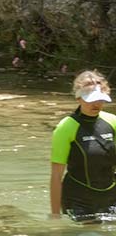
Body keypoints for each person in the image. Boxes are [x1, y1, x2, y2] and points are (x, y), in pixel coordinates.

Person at [50, 69, 116, 221]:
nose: (96, 104)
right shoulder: (65, 128)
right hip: (78, 199)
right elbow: (56, 175)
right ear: (78, 98)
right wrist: (55, 216)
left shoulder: (112, 121)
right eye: (90, 99)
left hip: (110, 195)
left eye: (100, 99)